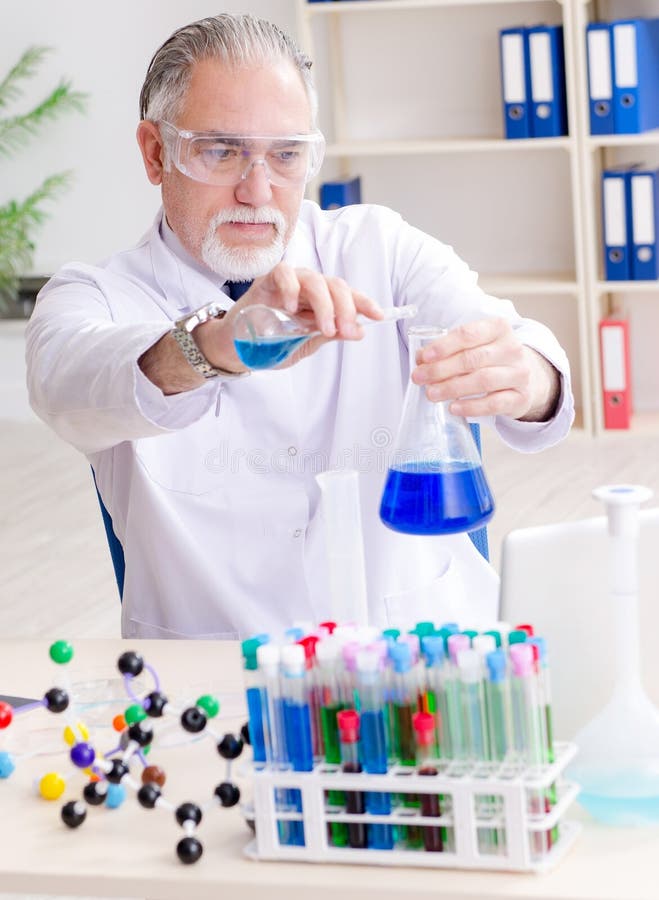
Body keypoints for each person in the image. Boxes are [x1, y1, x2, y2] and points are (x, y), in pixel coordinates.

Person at [26, 13, 574, 640]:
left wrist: (529, 380)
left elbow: (518, 346)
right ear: (156, 153)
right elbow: (67, 382)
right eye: (221, 151)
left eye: (286, 155)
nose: (258, 191)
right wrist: (218, 345)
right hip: (221, 674)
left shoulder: (380, 248)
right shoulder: (94, 296)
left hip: (419, 654)